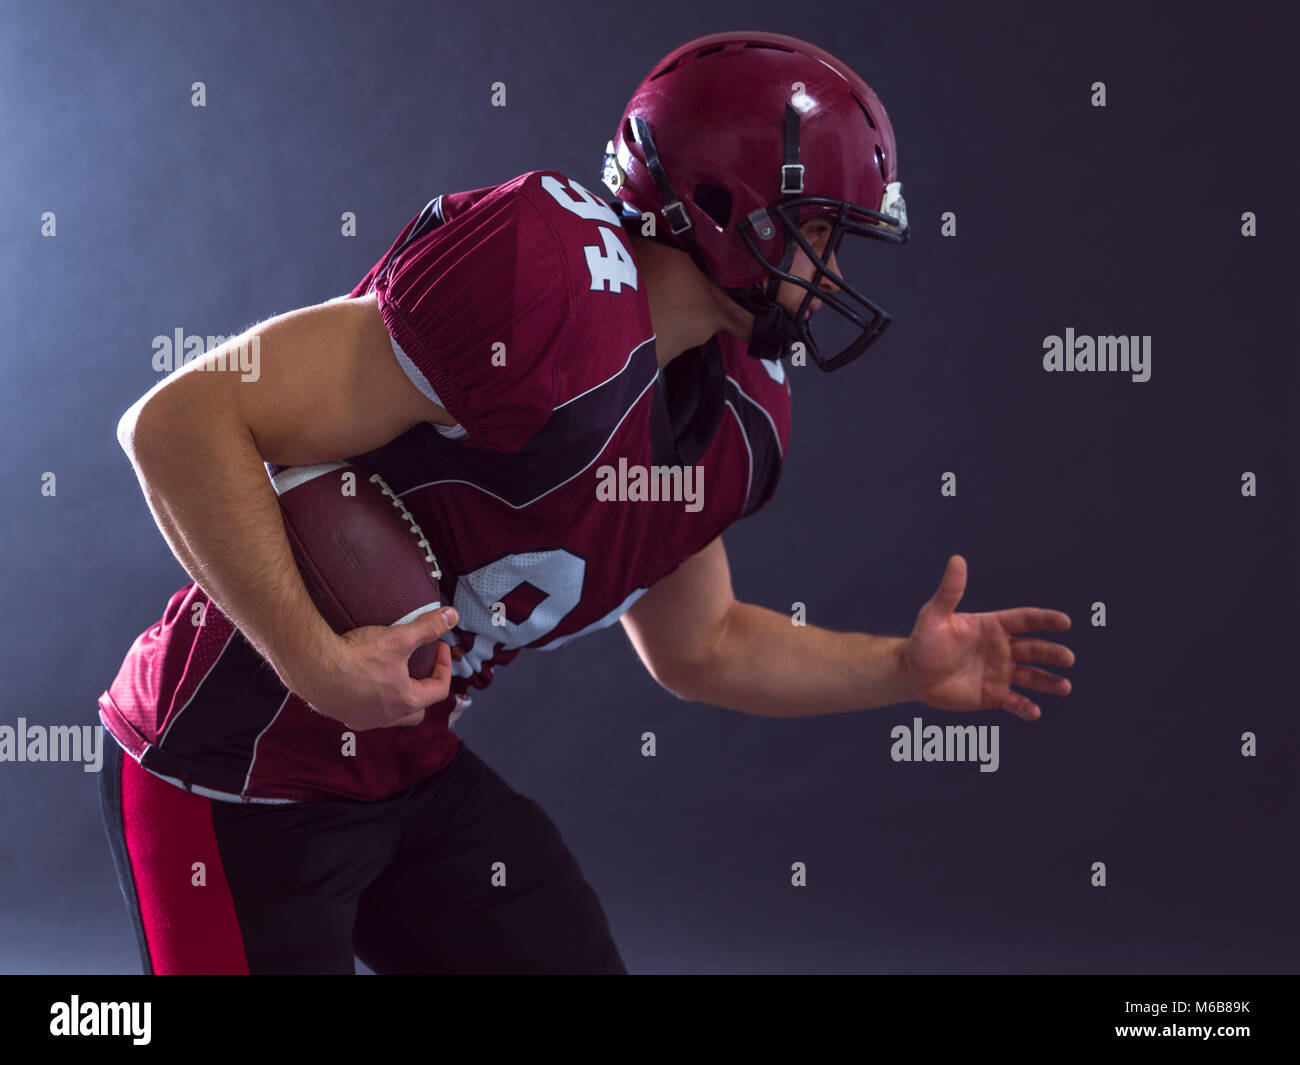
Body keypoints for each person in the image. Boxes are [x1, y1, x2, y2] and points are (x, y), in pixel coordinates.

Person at [98, 30, 1074, 975]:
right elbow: (178, 424)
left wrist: (900, 669)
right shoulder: (545, 284)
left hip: (402, 766)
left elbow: (706, 646)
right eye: (819, 230)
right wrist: (316, 665)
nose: (831, 272)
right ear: (725, 205)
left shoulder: (732, 408)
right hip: (230, 769)